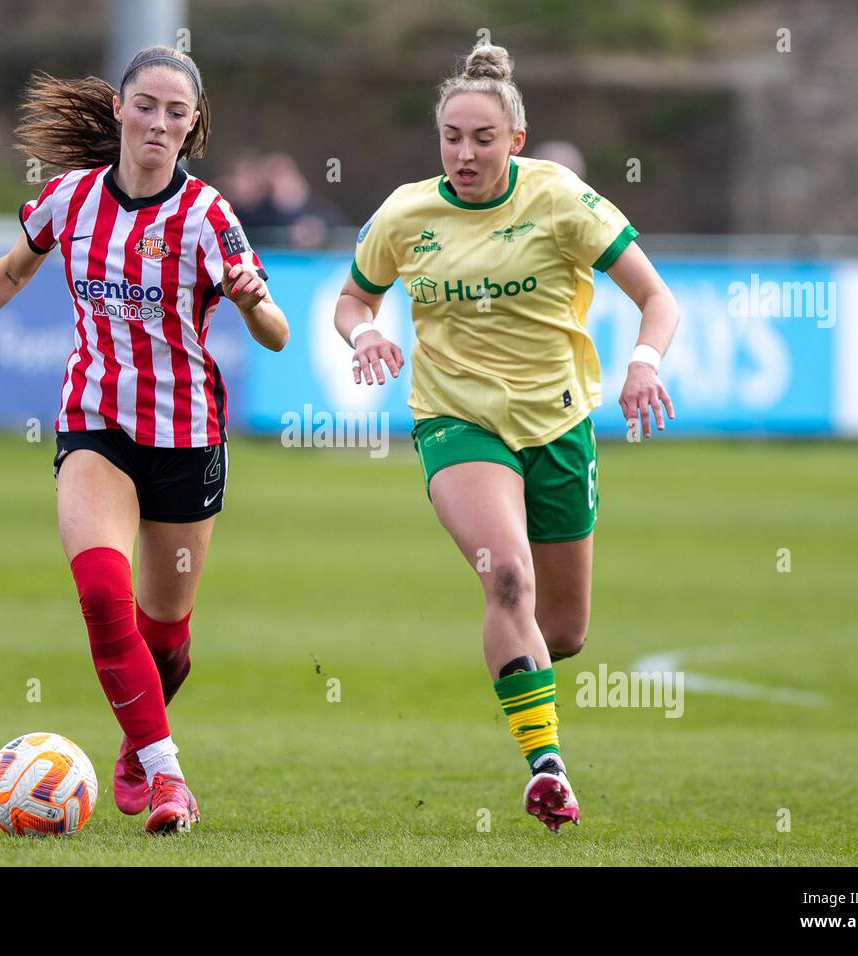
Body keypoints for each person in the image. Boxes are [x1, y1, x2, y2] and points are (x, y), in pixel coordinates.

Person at [0, 47, 289, 835]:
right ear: (119, 110)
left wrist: (251, 301)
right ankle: (169, 779)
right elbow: (11, 270)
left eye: (176, 112)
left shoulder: (208, 216)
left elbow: (276, 333)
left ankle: (139, 743)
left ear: (192, 125)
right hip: (95, 425)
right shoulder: (69, 198)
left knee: (165, 635)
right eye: (146, 105)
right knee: (103, 596)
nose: (159, 122)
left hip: (187, 439)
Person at [332, 41, 679, 832]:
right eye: (451, 137)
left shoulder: (561, 199)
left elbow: (657, 298)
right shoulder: (406, 214)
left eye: (482, 138)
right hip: (456, 420)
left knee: (563, 632)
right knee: (509, 580)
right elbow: (353, 300)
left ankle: (518, 674)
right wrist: (365, 334)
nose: (464, 153)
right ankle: (547, 769)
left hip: (557, 424)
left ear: (515, 140)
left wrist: (644, 365)